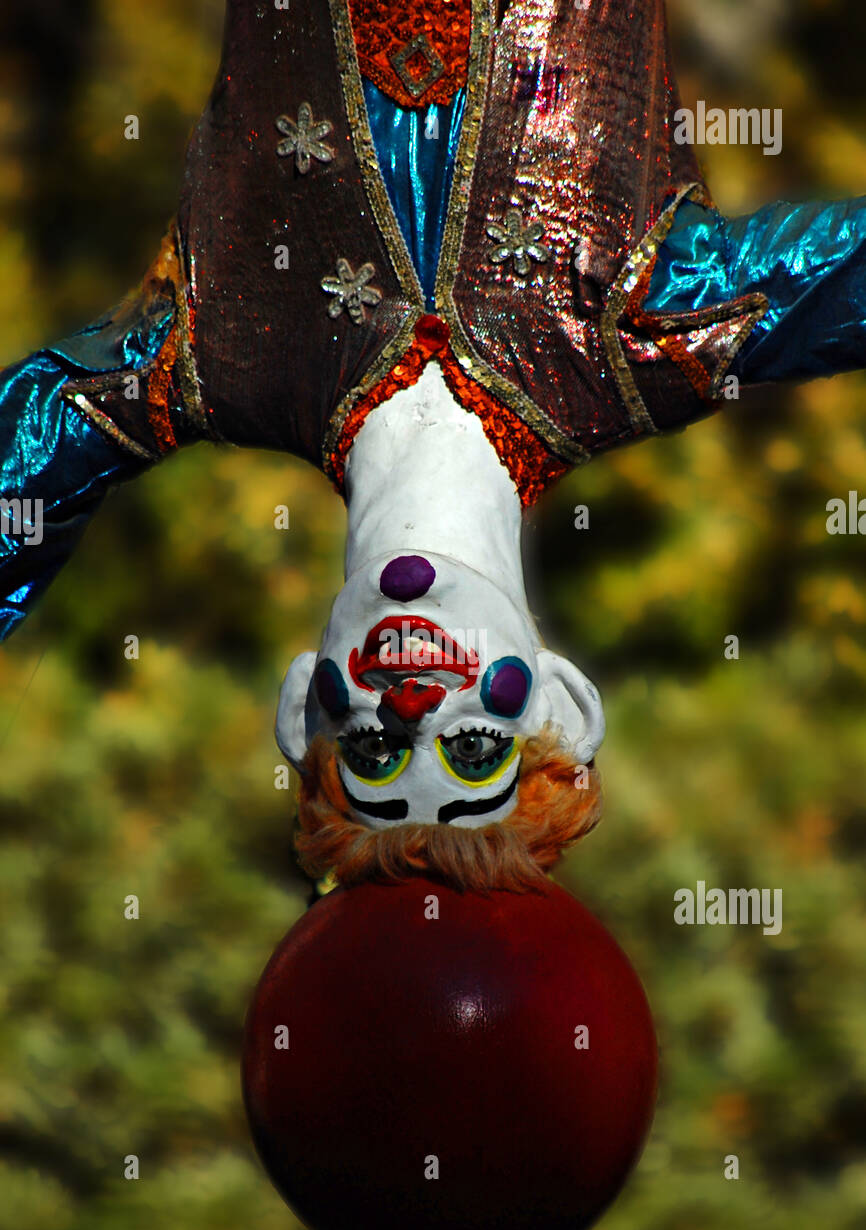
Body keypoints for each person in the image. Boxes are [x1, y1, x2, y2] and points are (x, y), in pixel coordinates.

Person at [4, 0, 866, 886]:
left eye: (375, 751)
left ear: (306, 708)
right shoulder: (652, 336)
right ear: (562, 706)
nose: (413, 703)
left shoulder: (214, 356)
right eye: (474, 750)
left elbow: (33, 450)